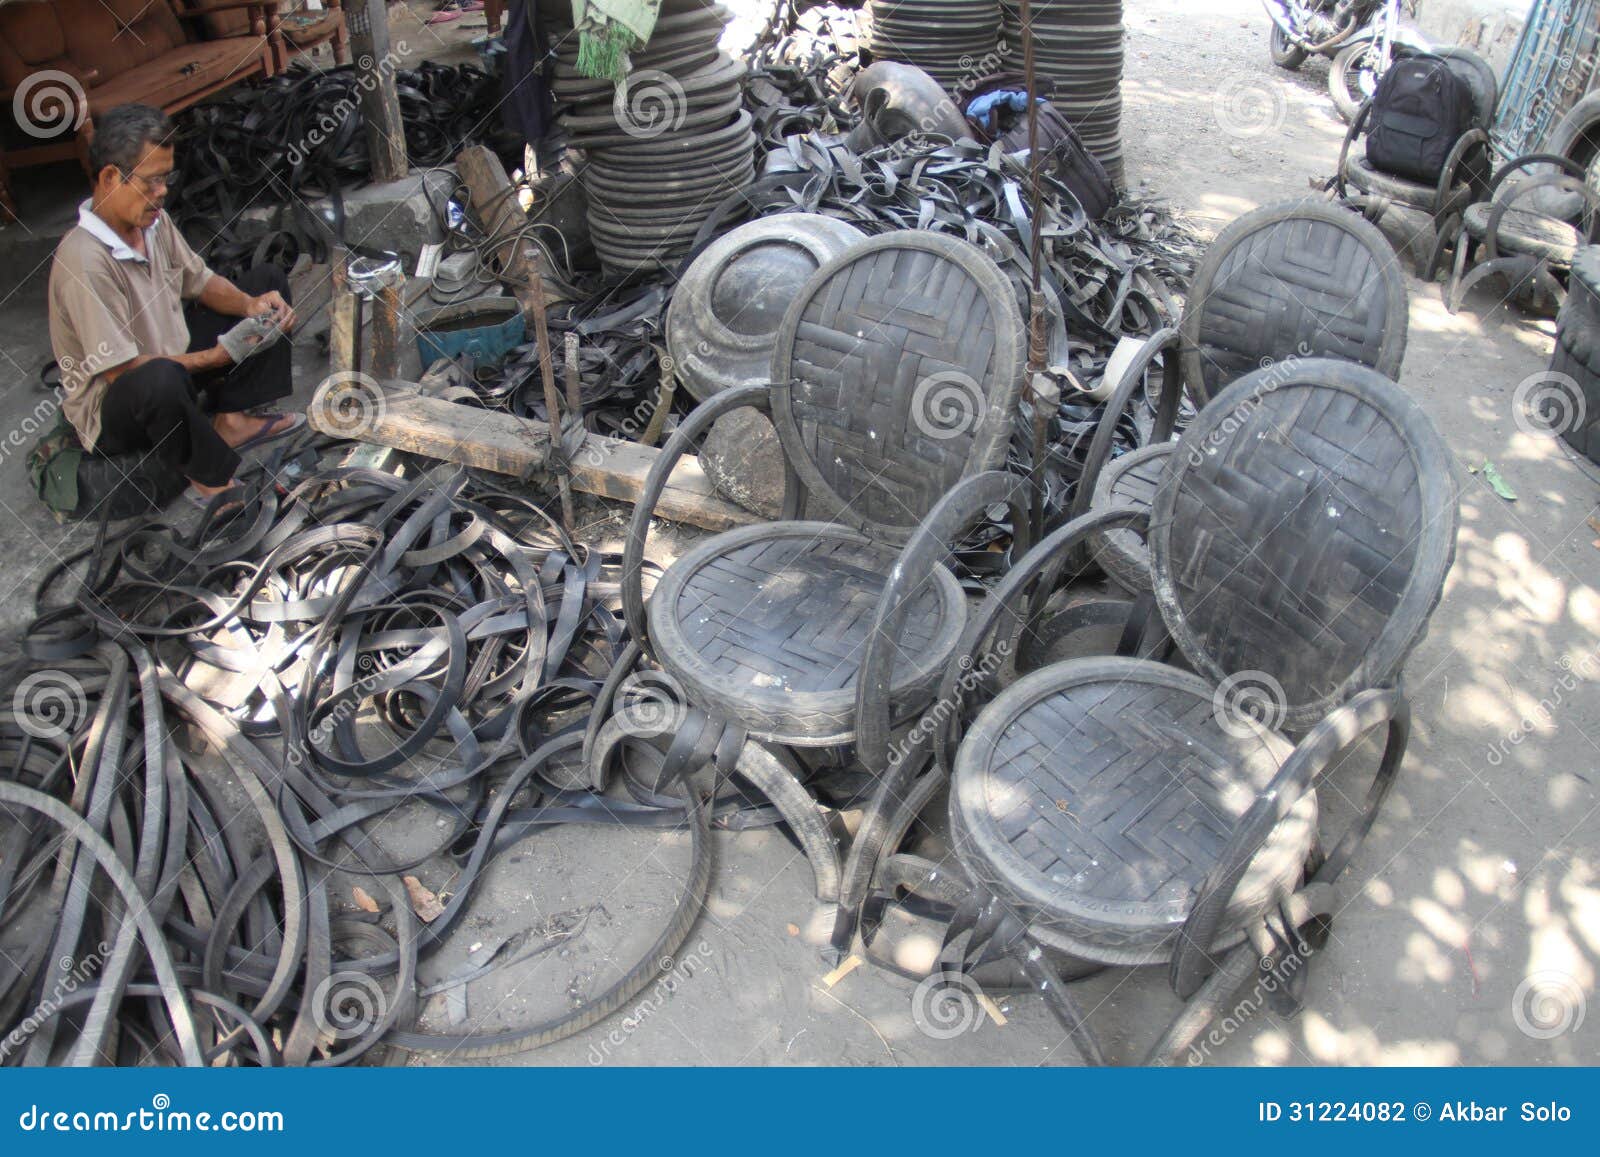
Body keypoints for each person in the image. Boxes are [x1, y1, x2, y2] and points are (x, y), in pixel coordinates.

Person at [47, 103, 302, 507]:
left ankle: (232, 421)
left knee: (266, 283)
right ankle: (209, 480)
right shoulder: (83, 261)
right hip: (118, 406)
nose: (162, 192)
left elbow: (198, 281)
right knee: (159, 380)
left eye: (166, 179)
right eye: (152, 182)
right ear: (111, 178)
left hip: (171, 363)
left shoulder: (153, 221)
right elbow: (122, 370)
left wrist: (250, 304)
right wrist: (216, 357)